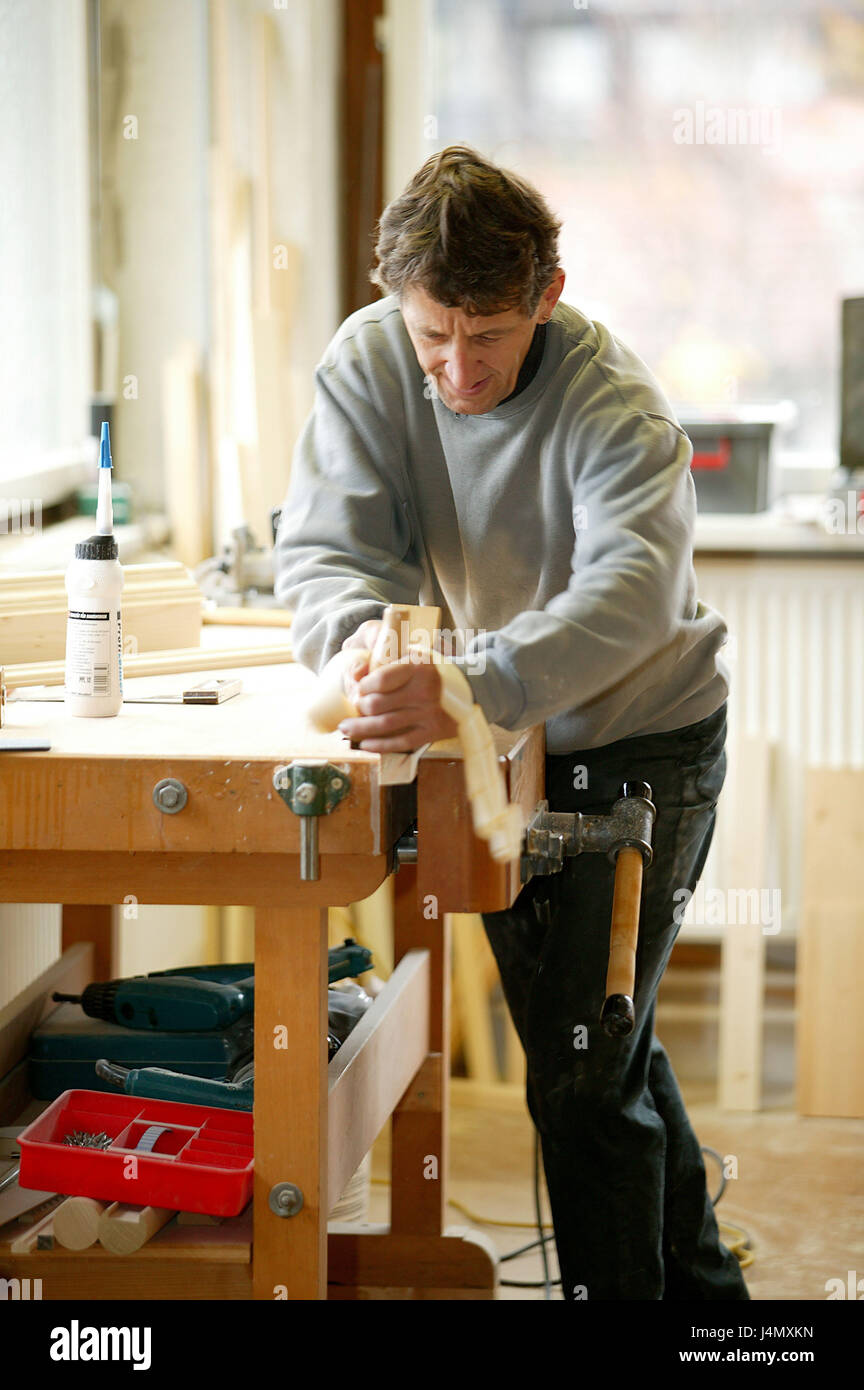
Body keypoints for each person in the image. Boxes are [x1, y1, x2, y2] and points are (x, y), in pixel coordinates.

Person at [274, 145, 749, 1301]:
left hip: (644, 735)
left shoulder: (614, 403)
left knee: (581, 1075)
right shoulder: (372, 359)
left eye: (486, 333)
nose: (455, 367)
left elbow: (628, 598)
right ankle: (710, 1306)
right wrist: (369, 655)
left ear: (550, 293)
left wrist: (468, 681)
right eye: (432, 331)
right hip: (501, 738)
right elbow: (329, 551)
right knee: (593, 1051)